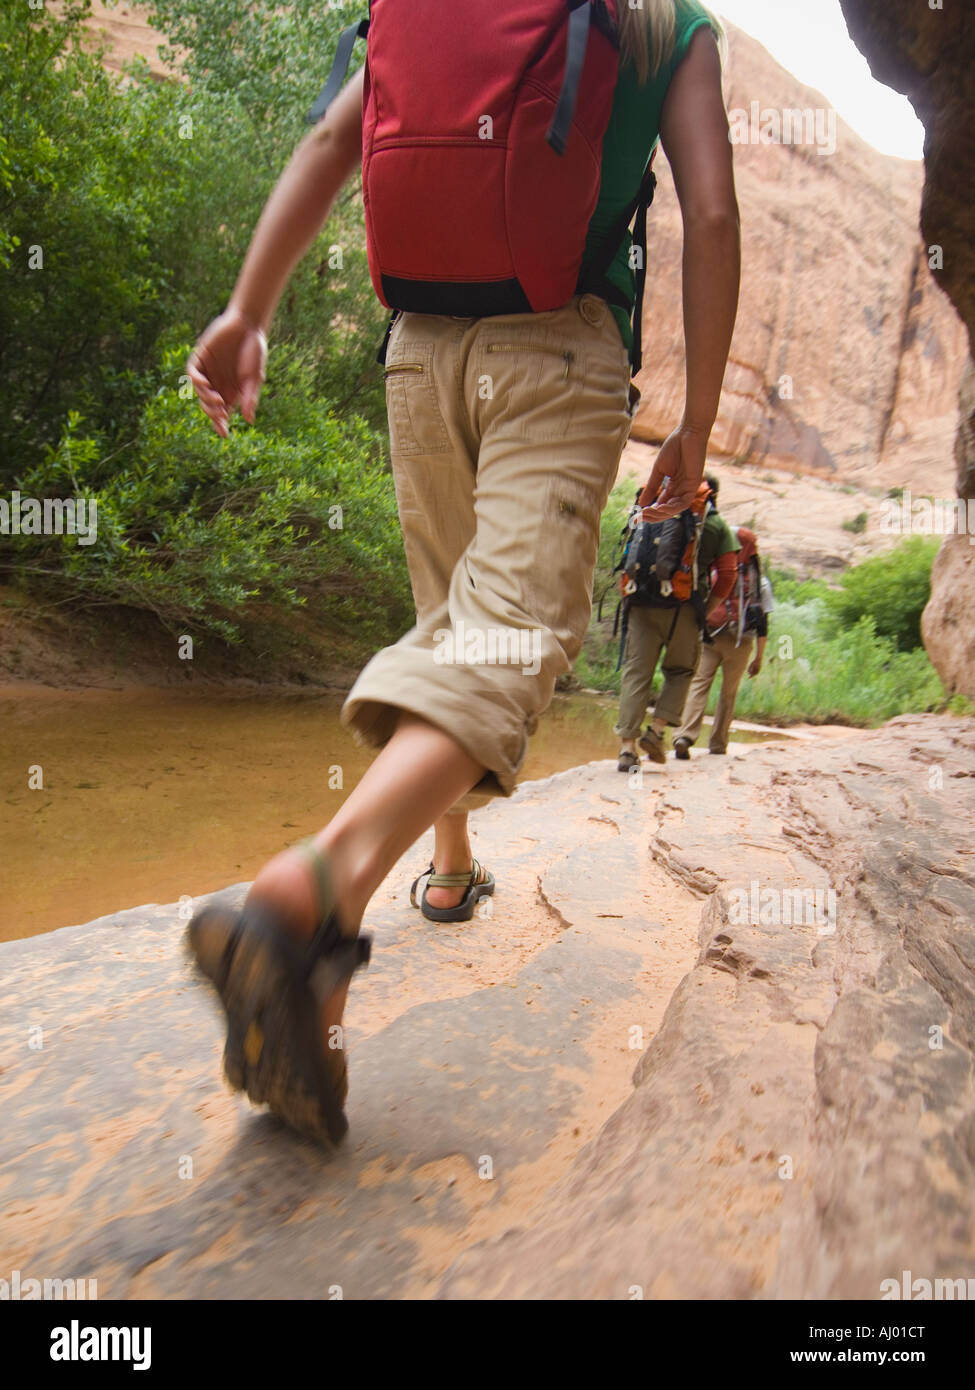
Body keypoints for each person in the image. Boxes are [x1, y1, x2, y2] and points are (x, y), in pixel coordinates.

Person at [185, 0, 740, 1144]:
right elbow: (715, 207)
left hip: (419, 351)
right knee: (508, 641)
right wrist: (698, 424)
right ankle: (308, 897)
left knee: (452, 625)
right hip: (557, 342)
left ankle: (440, 877)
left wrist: (247, 313)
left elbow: (334, 143)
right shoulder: (670, 23)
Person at [616, 472, 739, 769]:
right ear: (711, 495)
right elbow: (728, 575)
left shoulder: (652, 505)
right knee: (681, 671)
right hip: (683, 608)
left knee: (636, 673)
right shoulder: (714, 524)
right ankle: (656, 733)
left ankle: (627, 749)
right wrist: (706, 610)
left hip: (640, 601)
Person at [673, 523, 770, 757]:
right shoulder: (760, 583)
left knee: (699, 685)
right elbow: (763, 623)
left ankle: (685, 735)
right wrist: (758, 657)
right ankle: (717, 744)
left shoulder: (718, 571)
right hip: (741, 642)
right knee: (728, 693)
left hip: (711, 637)